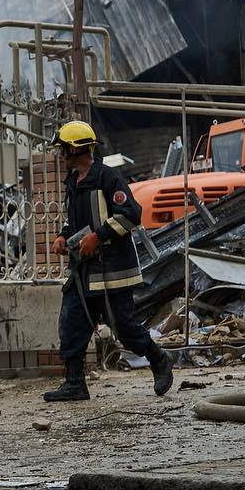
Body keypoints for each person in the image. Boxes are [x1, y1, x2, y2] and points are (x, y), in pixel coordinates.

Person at [45, 120, 173, 402]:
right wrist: (64, 237)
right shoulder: (73, 182)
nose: (62, 155)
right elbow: (75, 221)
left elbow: (130, 214)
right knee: (72, 323)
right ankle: (75, 383)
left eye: (64, 149)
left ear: (76, 148)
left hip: (112, 270)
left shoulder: (107, 177)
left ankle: (159, 359)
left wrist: (99, 237)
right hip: (84, 271)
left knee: (124, 328)